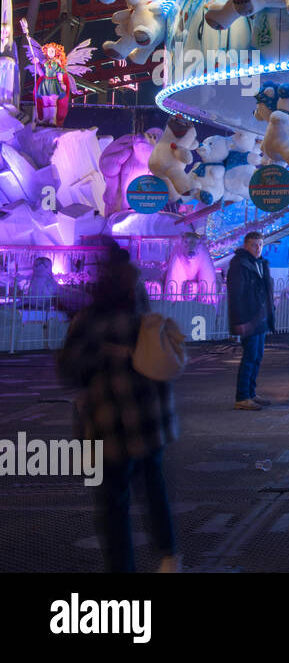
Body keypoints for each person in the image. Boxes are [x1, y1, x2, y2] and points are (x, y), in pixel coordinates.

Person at [58, 241, 180, 573]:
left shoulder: (90, 321)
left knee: (113, 502)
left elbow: (70, 369)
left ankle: (121, 568)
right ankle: (168, 554)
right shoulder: (147, 321)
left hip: (107, 423)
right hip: (149, 419)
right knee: (153, 485)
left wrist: (105, 356)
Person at [227, 232, 275, 410]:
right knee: (249, 357)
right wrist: (241, 320)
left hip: (260, 318)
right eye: (254, 245)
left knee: (256, 357)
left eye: (260, 244)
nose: (258, 248)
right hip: (249, 319)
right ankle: (242, 396)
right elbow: (236, 296)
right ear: (246, 245)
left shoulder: (260, 263)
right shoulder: (240, 265)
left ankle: (250, 393)